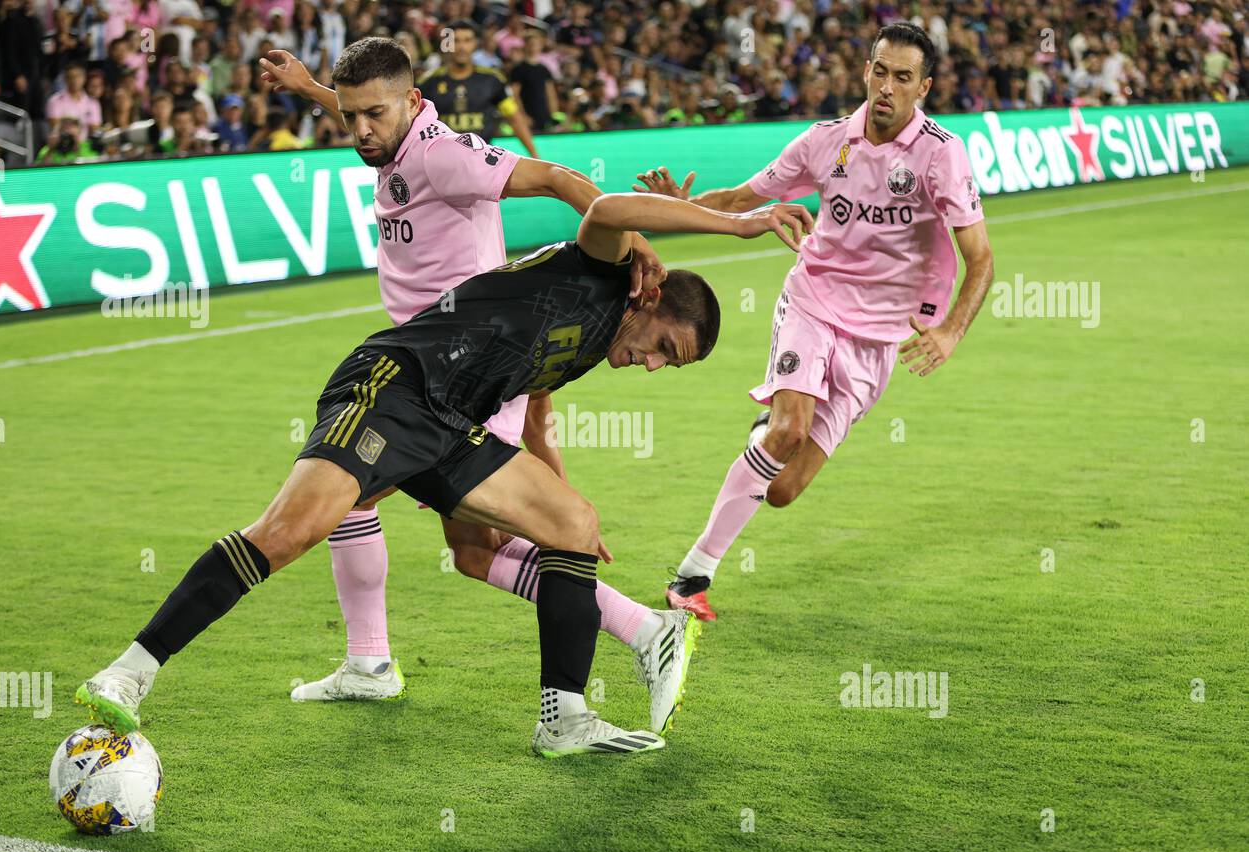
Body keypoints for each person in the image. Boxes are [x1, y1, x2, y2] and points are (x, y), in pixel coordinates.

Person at [75, 185, 812, 759]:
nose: (652, 364)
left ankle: (565, 717)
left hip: (452, 425)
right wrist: (740, 222)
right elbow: (610, 208)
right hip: (395, 385)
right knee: (289, 531)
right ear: (651, 299)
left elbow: (532, 388)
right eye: (662, 348)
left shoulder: (599, 336)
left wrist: (548, 468)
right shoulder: (606, 270)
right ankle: (130, 671)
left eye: (667, 366)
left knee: (573, 524)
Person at [256, 40, 693, 735]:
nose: (359, 126)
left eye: (370, 113)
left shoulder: (444, 155)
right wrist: (310, 86)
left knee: (357, 492)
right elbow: (365, 109)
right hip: (431, 367)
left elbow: (554, 175)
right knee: (468, 549)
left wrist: (631, 232)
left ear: (409, 102)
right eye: (350, 115)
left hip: (462, 379)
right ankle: (373, 663)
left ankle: (642, 631)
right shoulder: (391, 139)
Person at [635, 23, 995, 622]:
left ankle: (768, 426)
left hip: (876, 341)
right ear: (865, 72)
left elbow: (979, 258)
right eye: (879, 70)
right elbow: (745, 195)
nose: (887, 86)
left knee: (781, 489)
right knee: (787, 433)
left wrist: (951, 329)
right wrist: (680, 204)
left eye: (903, 77)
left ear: (924, 86)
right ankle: (692, 576)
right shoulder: (826, 142)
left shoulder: (941, 156)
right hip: (812, 302)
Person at [418, 18, 539, 158]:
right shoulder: (428, 83)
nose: (462, 47)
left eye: (467, 40)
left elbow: (514, 118)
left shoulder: (492, 80)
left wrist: (535, 155)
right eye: (456, 41)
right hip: (442, 161)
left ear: (475, 43)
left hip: (482, 162)